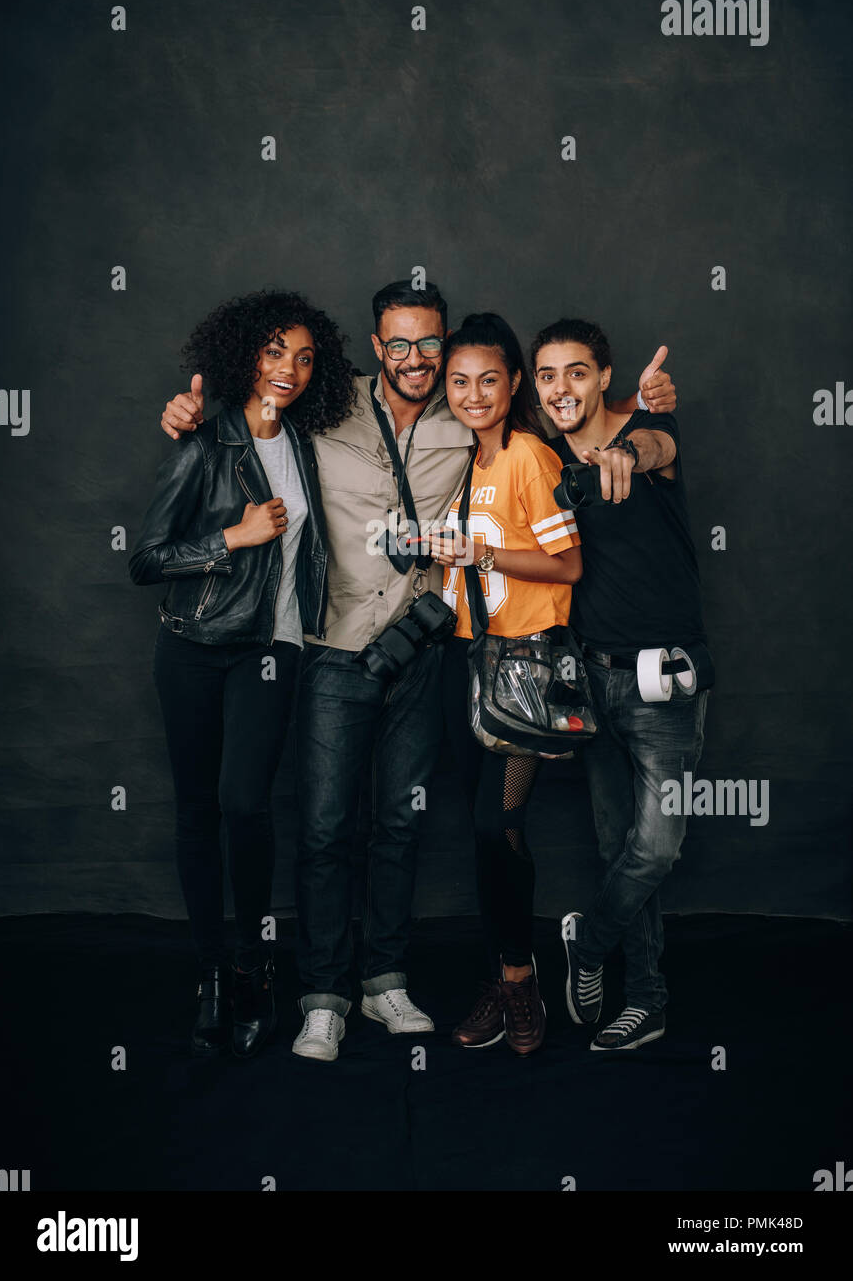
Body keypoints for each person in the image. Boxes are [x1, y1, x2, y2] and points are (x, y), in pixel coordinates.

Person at [159, 279, 675, 1061]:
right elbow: (259, 407)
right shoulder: (326, 403)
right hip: (336, 645)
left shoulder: (466, 418)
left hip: (430, 652)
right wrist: (188, 416)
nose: (418, 360)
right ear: (375, 346)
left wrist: (647, 419)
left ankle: (387, 979)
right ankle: (326, 994)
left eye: (430, 344)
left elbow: (579, 459)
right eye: (399, 343)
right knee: (328, 827)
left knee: (403, 825)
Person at [130, 289, 355, 1059]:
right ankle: (211, 974)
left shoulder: (306, 443)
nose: (288, 368)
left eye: (303, 356)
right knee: (198, 811)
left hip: (272, 646)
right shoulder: (202, 442)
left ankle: (256, 960)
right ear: (242, 356)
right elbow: (146, 558)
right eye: (272, 351)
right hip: (191, 646)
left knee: (244, 805)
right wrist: (233, 536)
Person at [531, 318, 710, 1051]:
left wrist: (628, 449)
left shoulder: (648, 428)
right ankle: (648, 999)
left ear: (606, 376)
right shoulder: (538, 459)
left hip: (665, 683)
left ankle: (586, 946)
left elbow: (655, 445)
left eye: (577, 372)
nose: (561, 388)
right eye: (547, 376)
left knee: (657, 847)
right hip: (592, 681)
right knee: (616, 849)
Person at [422, 314, 582, 1056]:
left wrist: (485, 552)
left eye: (490, 379)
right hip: (465, 660)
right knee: (482, 836)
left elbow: (569, 566)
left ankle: (521, 980)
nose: (474, 393)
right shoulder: (471, 462)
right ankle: (503, 973)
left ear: (514, 382)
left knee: (499, 826)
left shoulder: (529, 457)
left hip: (524, 671)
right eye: (460, 381)